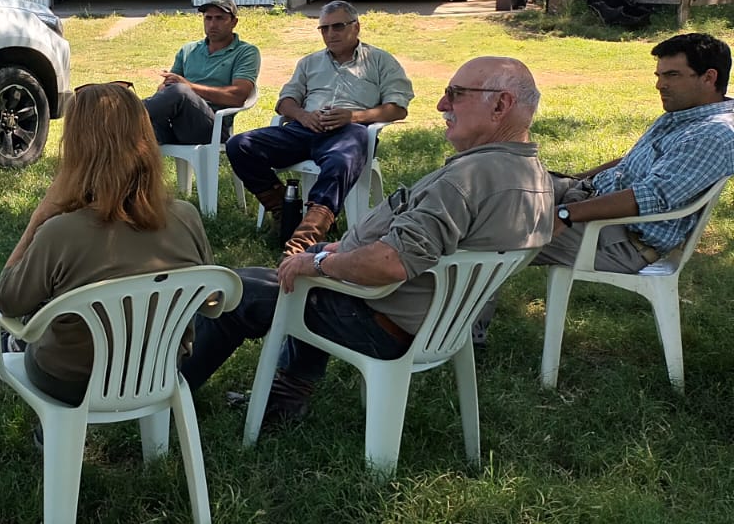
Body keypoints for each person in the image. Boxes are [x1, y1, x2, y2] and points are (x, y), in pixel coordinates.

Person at [183, 56, 553, 422]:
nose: (442, 105)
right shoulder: (532, 176)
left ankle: (170, 392)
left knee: (235, 289)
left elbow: (389, 263)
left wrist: (319, 263)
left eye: (455, 94)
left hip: (381, 320)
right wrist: (336, 251)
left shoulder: (469, 179)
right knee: (307, 260)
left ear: (501, 104)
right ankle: (285, 397)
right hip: (435, 320)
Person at [0, 82, 214, 405]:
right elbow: (211, 301)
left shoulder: (59, 232)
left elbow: (7, 300)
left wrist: (38, 218)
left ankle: (54, 427)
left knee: (14, 324)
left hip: (71, 381)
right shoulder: (186, 217)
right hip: (159, 371)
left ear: (77, 149)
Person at [226, 0, 413, 256]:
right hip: (306, 128)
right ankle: (284, 210)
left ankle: (305, 238)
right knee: (240, 145)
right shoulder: (310, 62)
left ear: (356, 27)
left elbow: (398, 108)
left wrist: (353, 116)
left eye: (337, 26)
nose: (330, 34)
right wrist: (302, 115)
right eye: (324, 29)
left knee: (341, 160)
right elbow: (285, 101)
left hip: (351, 130)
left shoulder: (380, 61)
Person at [538, 32, 734, 272]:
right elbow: (628, 163)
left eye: (672, 75)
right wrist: (574, 181)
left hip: (617, 239)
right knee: (495, 188)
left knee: (497, 228)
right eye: (659, 75)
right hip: (587, 201)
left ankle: (478, 306)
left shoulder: (713, 135)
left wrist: (566, 213)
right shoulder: (685, 114)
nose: (660, 84)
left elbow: (651, 195)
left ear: (709, 78)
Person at [143, 0, 260, 146]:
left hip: (212, 127)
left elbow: (237, 96)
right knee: (130, 133)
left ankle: (126, 111)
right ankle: (119, 116)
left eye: (220, 18)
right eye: (208, 18)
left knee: (180, 91)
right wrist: (165, 87)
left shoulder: (246, 52)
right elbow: (167, 88)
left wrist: (189, 87)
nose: (213, 24)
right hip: (175, 123)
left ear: (234, 22)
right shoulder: (188, 50)